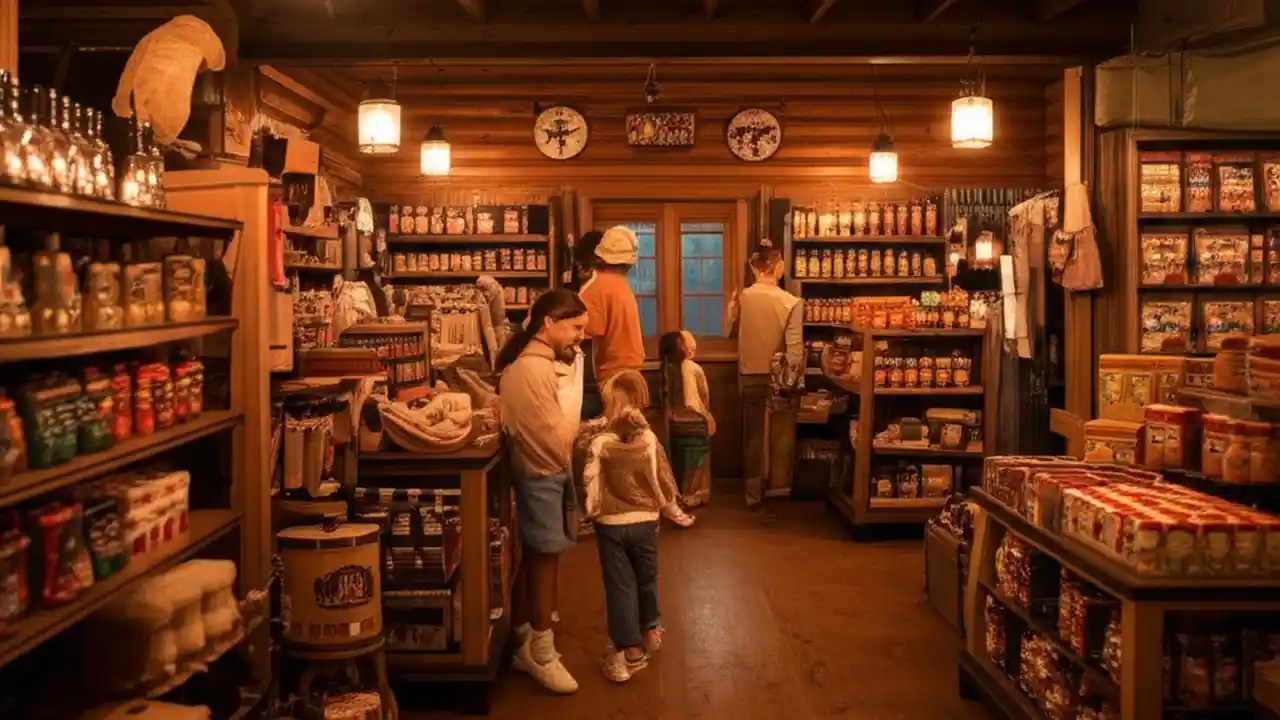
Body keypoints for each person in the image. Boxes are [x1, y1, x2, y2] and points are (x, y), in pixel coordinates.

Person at [497, 289, 590, 694]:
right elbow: (555, 441)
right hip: (542, 473)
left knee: (530, 559)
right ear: (548, 323)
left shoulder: (532, 365)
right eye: (575, 327)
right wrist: (584, 432)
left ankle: (523, 641)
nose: (580, 336)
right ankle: (543, 651)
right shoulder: (534, 371)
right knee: (544, 561)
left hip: (538, 472)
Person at [580, 225, 694, 528]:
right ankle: (663, 502)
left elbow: (590, 330)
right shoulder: (620, 286)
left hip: (613, 376)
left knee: (628, 448)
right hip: (632, 371)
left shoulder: (596, 288)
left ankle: (652, 505)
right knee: (638, 442)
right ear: (629, 261)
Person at [578, 370, 680, 682]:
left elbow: (590, 484)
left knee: (620, 585)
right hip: (646, 522)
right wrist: (668, 510)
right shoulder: (649, 440)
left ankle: (628, 654)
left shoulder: (600, 443)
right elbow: (664, 481)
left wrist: (590, 513)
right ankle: (651, 628)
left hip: (611, 524)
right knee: (647, 576)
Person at [727, 247, 803, 512]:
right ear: (778, 267)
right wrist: (792, 382)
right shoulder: (791, 302)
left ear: (754, 268)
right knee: (782, 435)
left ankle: (752, 494)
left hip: (749, 374)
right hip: (781, 377)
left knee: (753, 437)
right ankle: (780, 491)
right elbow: (795, 350)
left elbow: (729, 331)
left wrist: (731, 309)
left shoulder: (743, 298)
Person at [659, 330, 715, 508]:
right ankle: (695, 494)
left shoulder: (664, 369)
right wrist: (708, 417)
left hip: (673, 426)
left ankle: (679, 494)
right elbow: (696, 401)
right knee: (696, 460)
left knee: (678, 460)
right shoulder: (692, 368)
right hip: (694, 424)